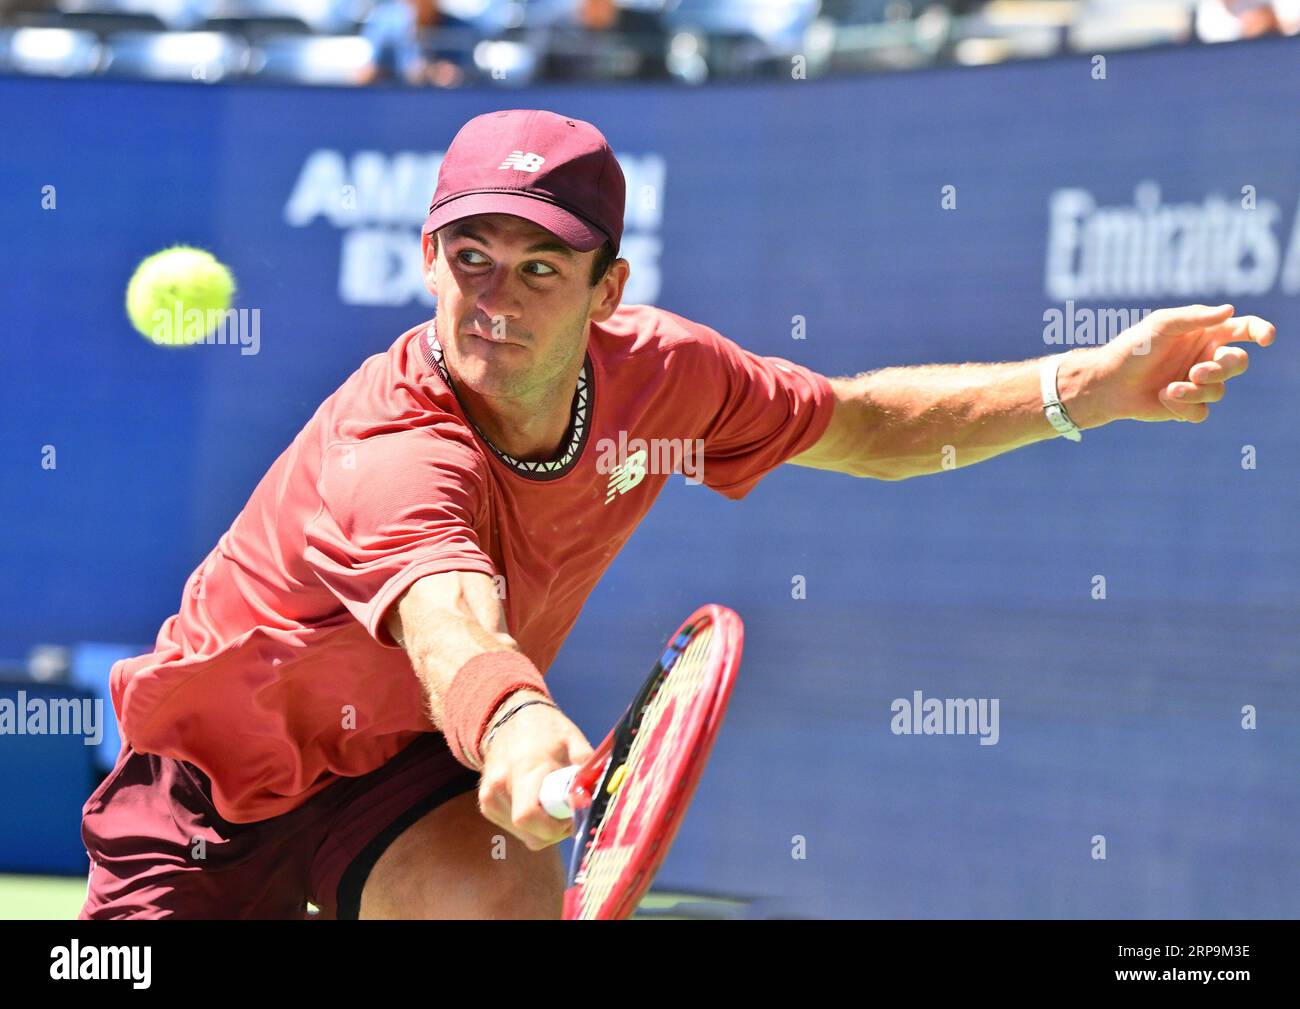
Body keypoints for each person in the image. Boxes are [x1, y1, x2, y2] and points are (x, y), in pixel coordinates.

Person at [79, 108, 1277, 920]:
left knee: (502, 884)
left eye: (540, 268)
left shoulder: (668, 381)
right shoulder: (387, 447)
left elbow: (862, 423)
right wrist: (511, 731)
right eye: (470, 257)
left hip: (402, 766)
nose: (495, 299)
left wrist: (1084, 389)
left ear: (610, 290)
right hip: (202, 798)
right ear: (427, 262)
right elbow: (453, 627)